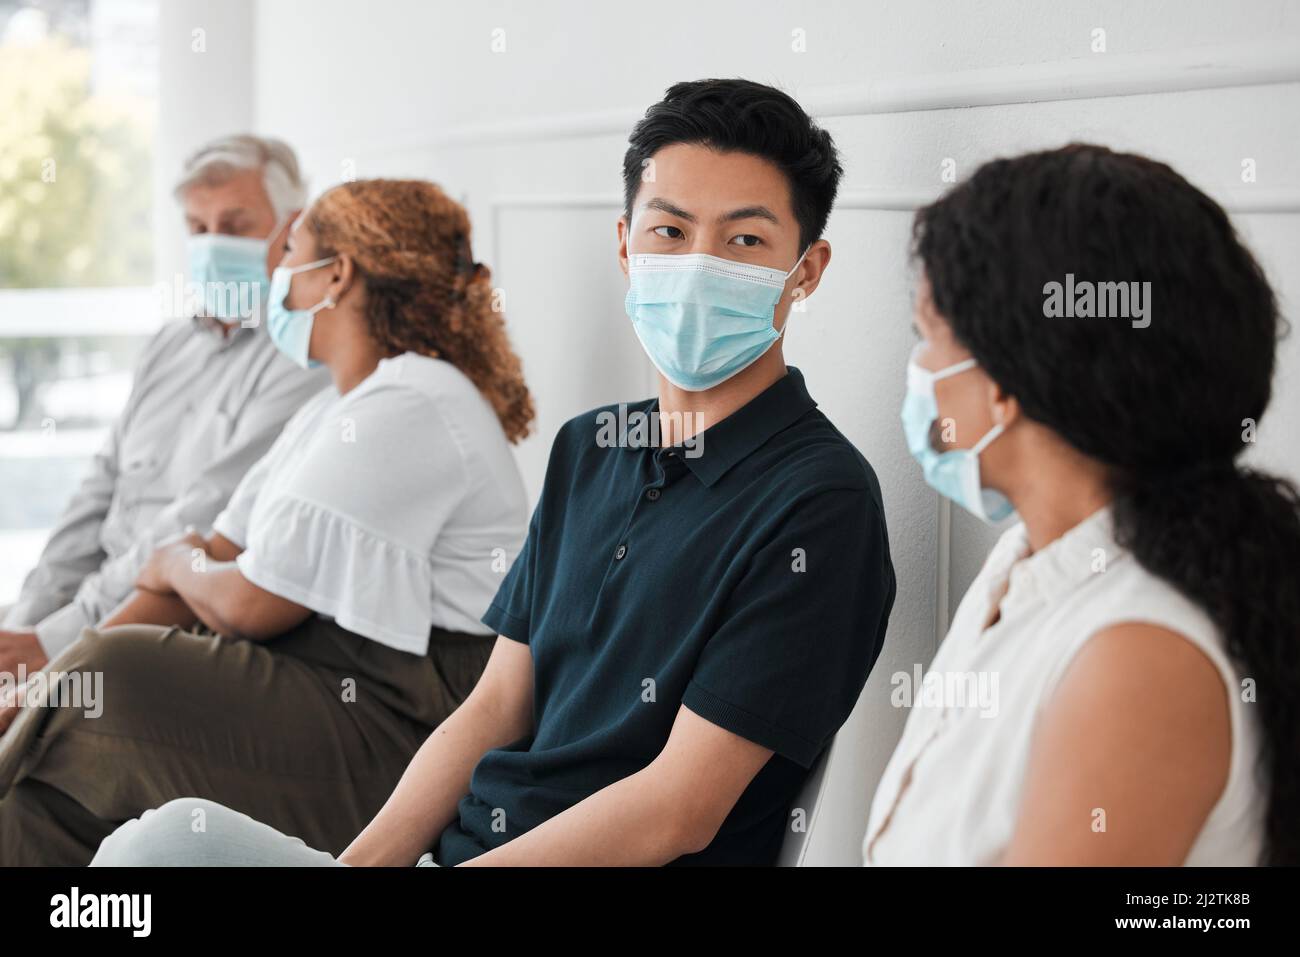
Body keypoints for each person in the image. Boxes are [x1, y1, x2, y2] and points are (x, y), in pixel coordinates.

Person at [89, 78, 896, 868]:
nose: (698, 266)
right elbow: (496, 705)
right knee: (156, 844)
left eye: (744, 240)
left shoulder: (821, 504)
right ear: (625, 246)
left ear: (808, 268)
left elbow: (675, 812)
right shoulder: (591, 449)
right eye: (670, 232)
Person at [0, 179, 534, 865]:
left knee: (113, 675)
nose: (276, 278)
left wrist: (165, 574)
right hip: (316, 693)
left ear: (337, 274)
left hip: (401, 733)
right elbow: (209, 555)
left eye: (292, 253)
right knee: (42, 800)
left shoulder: (416, 397)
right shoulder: (329, 412)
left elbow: (248, 603)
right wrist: (71, 662)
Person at [863, 144, 1300, 866]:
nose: (919, 373)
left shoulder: (1138, 658)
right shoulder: (1031, 561)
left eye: (928, 339)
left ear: (1002, 383)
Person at [0, 134, 326, 674]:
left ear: (291, 228)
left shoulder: (304, 357)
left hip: (168, 622)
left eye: (236, 224)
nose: (211, 245)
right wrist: (30, 619)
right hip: (81, 610)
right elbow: (96, 493)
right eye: (197, 228)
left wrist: (56, 640)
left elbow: (203, 520)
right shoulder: (168, 344)